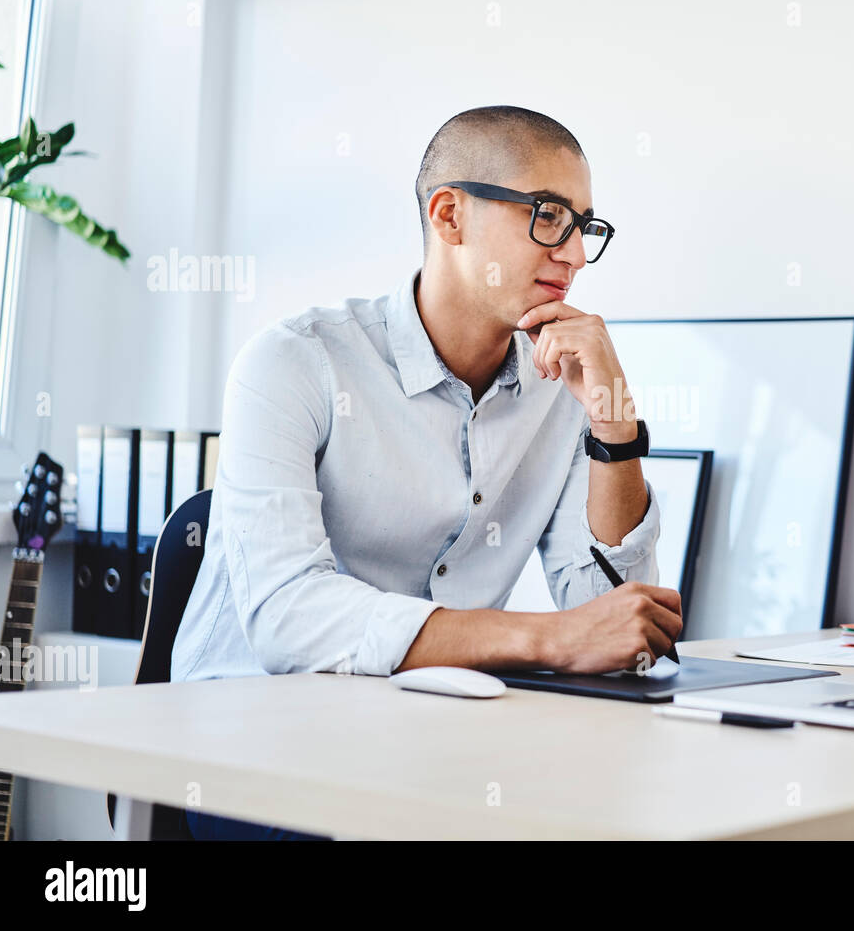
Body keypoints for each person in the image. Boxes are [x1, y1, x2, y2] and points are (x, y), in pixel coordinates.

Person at [173, 105, 682, 839]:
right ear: (449, 215)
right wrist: (543, 638)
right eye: (547, 215)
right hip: (255, 747)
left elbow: (609, 618)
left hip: (437, 740)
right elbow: (290, 618)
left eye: (585, 225)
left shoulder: (561, 382)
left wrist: (614, 423)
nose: (572, 253)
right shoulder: (294, 362)